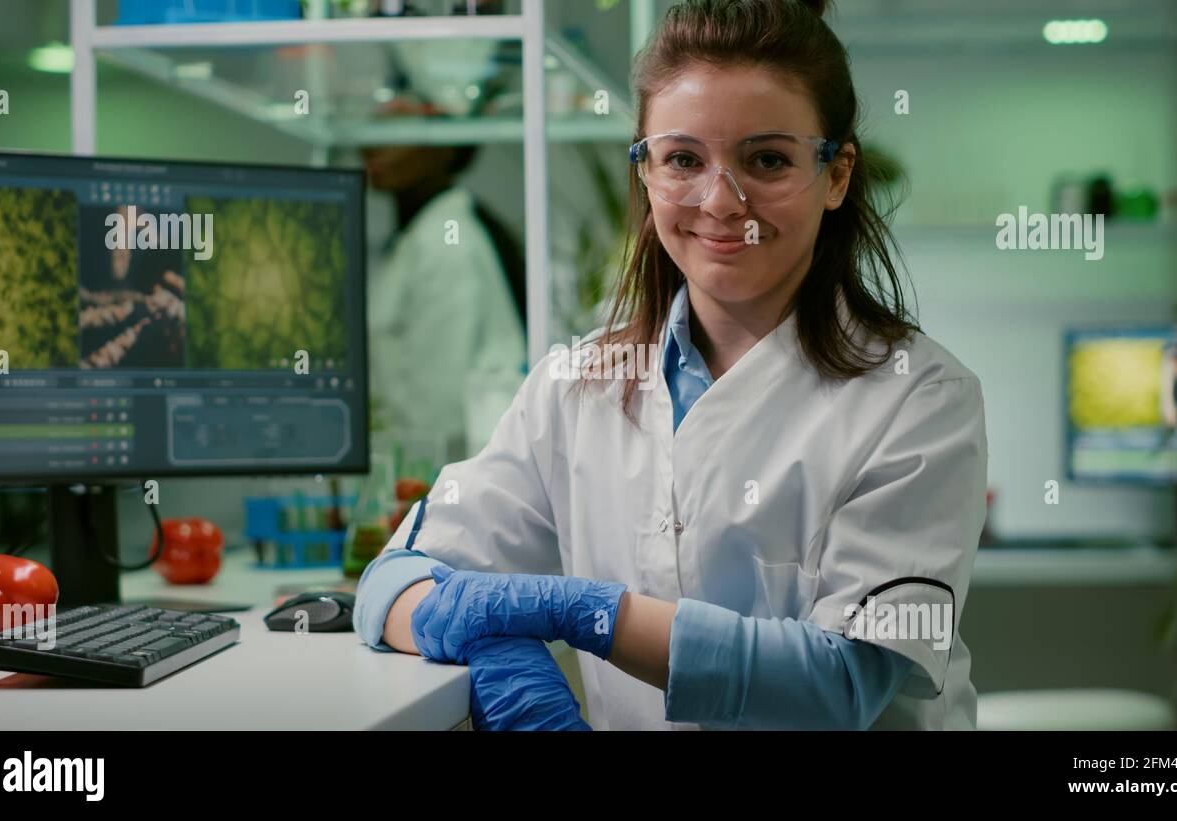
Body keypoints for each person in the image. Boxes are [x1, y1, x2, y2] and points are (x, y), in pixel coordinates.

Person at [354, 0, 988, 731]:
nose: (721, 201)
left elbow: (840, 683)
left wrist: (590, 615)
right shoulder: (575, 388)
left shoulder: (919, 399)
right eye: (684, 159)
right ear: (647, 169)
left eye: (768, 159)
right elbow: (393, 580)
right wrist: (495, 649)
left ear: (838, 173)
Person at [363, 121, 526, 462]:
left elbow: (438, 410)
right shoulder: (421, 236)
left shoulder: (445, 241)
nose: (375, 146)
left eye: (398, 130)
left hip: (447, 468)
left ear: (444, 147)